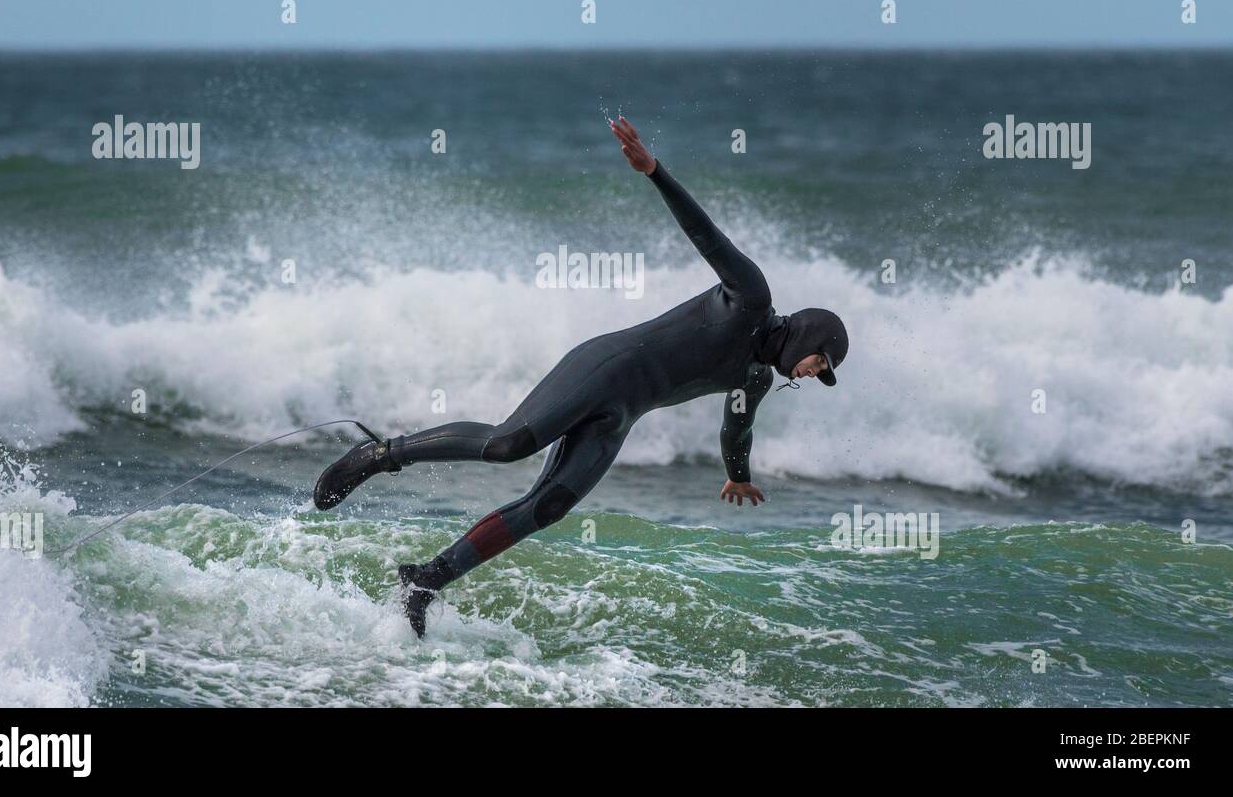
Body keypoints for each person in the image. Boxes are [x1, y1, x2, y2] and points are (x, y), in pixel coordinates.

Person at [314, 117, 849, 637]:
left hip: (621, 415)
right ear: (810, 336)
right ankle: (380, 454)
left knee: (548, 505)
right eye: (820, 360)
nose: (812, 372)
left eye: (820, 371)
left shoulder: (755, 378)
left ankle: (426, 581)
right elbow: (705, 235)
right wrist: (653, 171)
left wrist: (738, 473)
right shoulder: (751, 298)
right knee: (507, 445)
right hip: (603, 368)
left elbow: (737, 428)